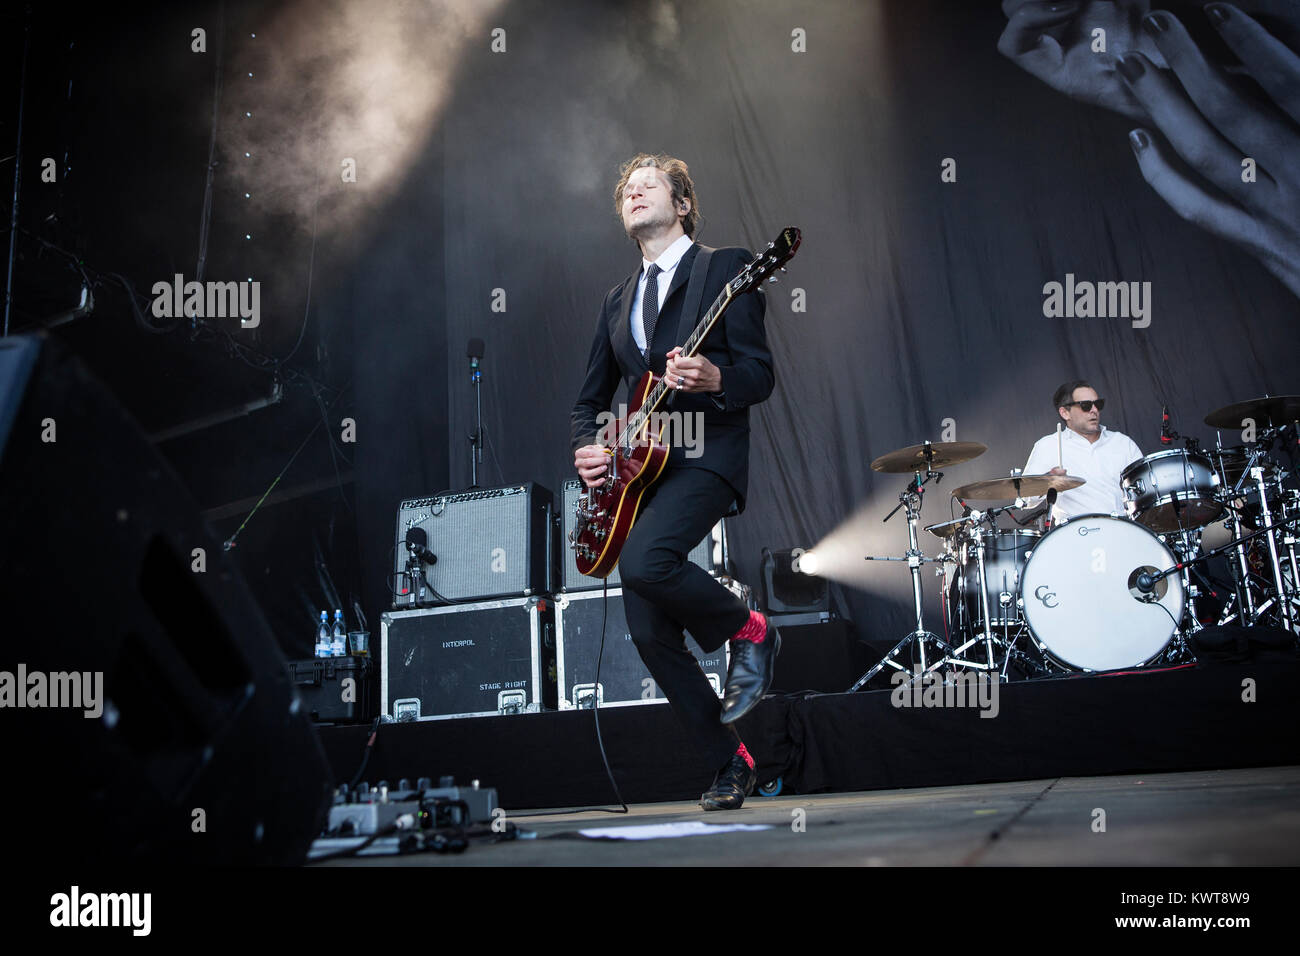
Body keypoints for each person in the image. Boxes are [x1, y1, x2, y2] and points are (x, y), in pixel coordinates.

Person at [570, 154, 778, 811]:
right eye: (625, 189)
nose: (632, 192)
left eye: (648, 184)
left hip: (707, 454)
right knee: (649, 632)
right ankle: (730, 763)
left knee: (647, 563)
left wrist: (717, 380)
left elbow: (759, 373)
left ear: (681, 203)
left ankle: (753, 631)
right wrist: (589, 448)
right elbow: (589, 400)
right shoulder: (615, 301)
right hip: (640, 475)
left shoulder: (725, 268)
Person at [1022, 380, 1144, 522]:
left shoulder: (1123, 443)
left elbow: (1146, 492)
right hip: (1073, 535)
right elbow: (1025, 498)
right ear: (1065, 413)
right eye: (1086, 406)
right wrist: (1048, 480)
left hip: (1122, 529)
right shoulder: (1049, 445)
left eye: (1098, 404)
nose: (1094, 410)